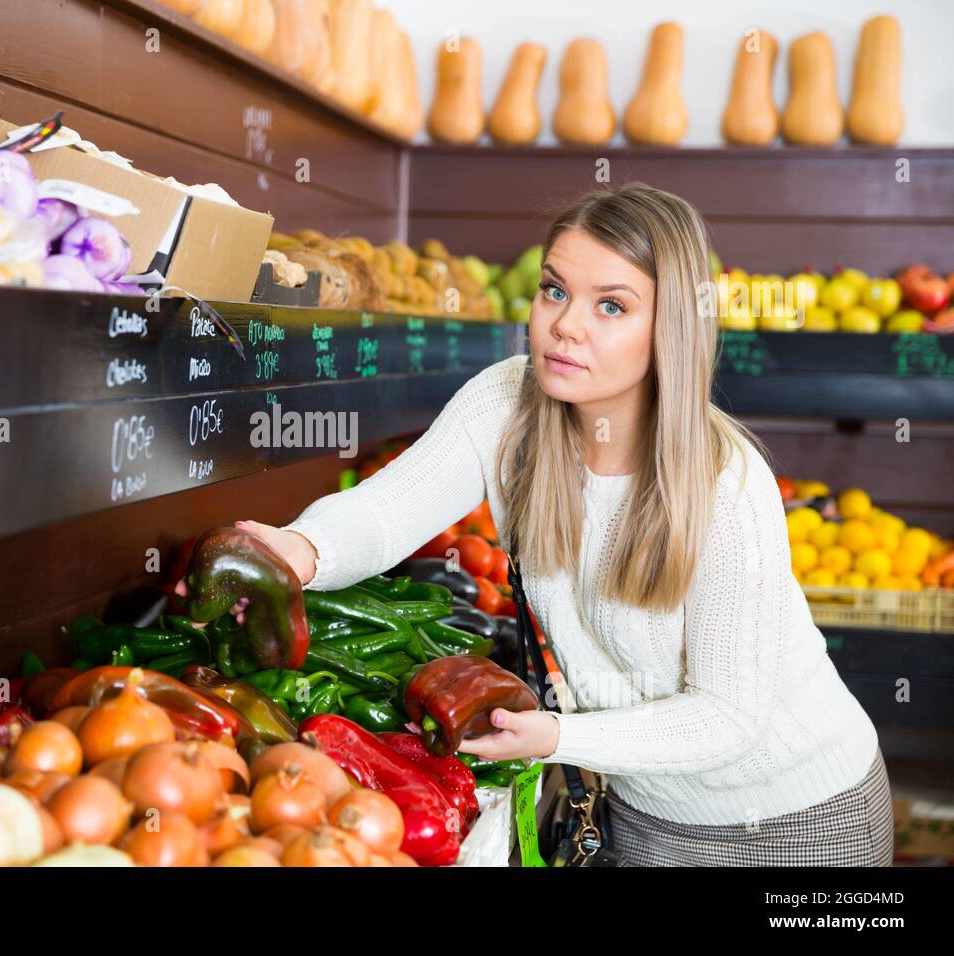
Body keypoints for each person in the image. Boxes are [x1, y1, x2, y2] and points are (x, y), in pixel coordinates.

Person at [227, 183, 892, 866]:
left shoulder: (725, 482)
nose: (566, 324)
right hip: (639, 815)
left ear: (671, 329)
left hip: (799, 824)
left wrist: (555, 737)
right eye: (554, 291)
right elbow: (389, 508)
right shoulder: (506, 406)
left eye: (611, 305)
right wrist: (301, 549)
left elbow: (727, 719)